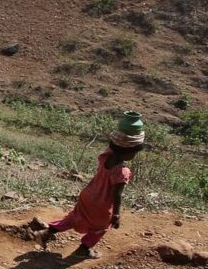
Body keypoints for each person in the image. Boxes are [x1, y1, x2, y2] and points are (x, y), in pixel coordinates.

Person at [29, 111, 145, 260]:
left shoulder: (105, 157)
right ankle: (84, 249)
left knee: (74, 217)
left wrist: (123, 133)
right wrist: (116, 214)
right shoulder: (122, 172)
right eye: (134, 152)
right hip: (101, 205)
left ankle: (45, 233)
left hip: (88, 195)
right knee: (101, 228)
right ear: (129, 152)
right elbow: (117, 194)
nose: (133, 156)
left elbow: (116, 144)